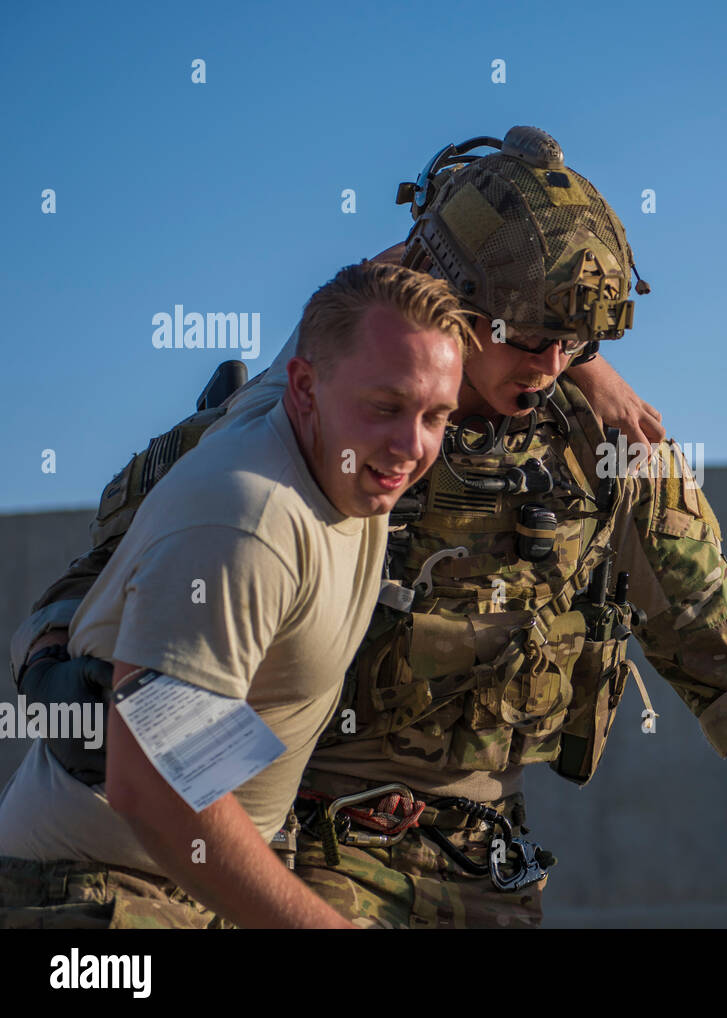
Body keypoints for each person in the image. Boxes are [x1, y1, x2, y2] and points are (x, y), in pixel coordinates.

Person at [7, 126, 727, 929]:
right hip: (295, 855)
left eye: (575, 344)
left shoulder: (608, 453)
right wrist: (50, 670)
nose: (547, 368)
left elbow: (709, 633)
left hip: (481, 857)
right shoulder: (308, 426)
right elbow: (109, 575)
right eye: (530, 336)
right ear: (456, 300)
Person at [0, 262, 468, 928]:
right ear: (304, 388)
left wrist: (590, 369)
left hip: (196, 877)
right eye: (386, 407)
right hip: (96, 892)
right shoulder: (248, 520)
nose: (410, 446)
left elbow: (430, 251)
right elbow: (154, 788)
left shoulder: (332, 417)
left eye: (435, 415)